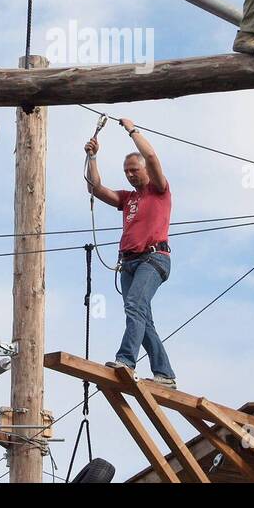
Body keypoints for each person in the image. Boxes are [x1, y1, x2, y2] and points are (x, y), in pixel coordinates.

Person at [84, 117, 175, 388]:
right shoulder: (128, 198)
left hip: (153, 259)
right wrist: (92, 157)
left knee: (135, 306)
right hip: (130, 263)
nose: (130, 174)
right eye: (127, 171)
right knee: (140, 315)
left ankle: (126, 360)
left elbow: (151, 155)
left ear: (145, 169)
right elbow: (95, 187)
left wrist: (132, 129)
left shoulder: (159, 190)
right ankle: (165, 375)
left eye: (134, 169)